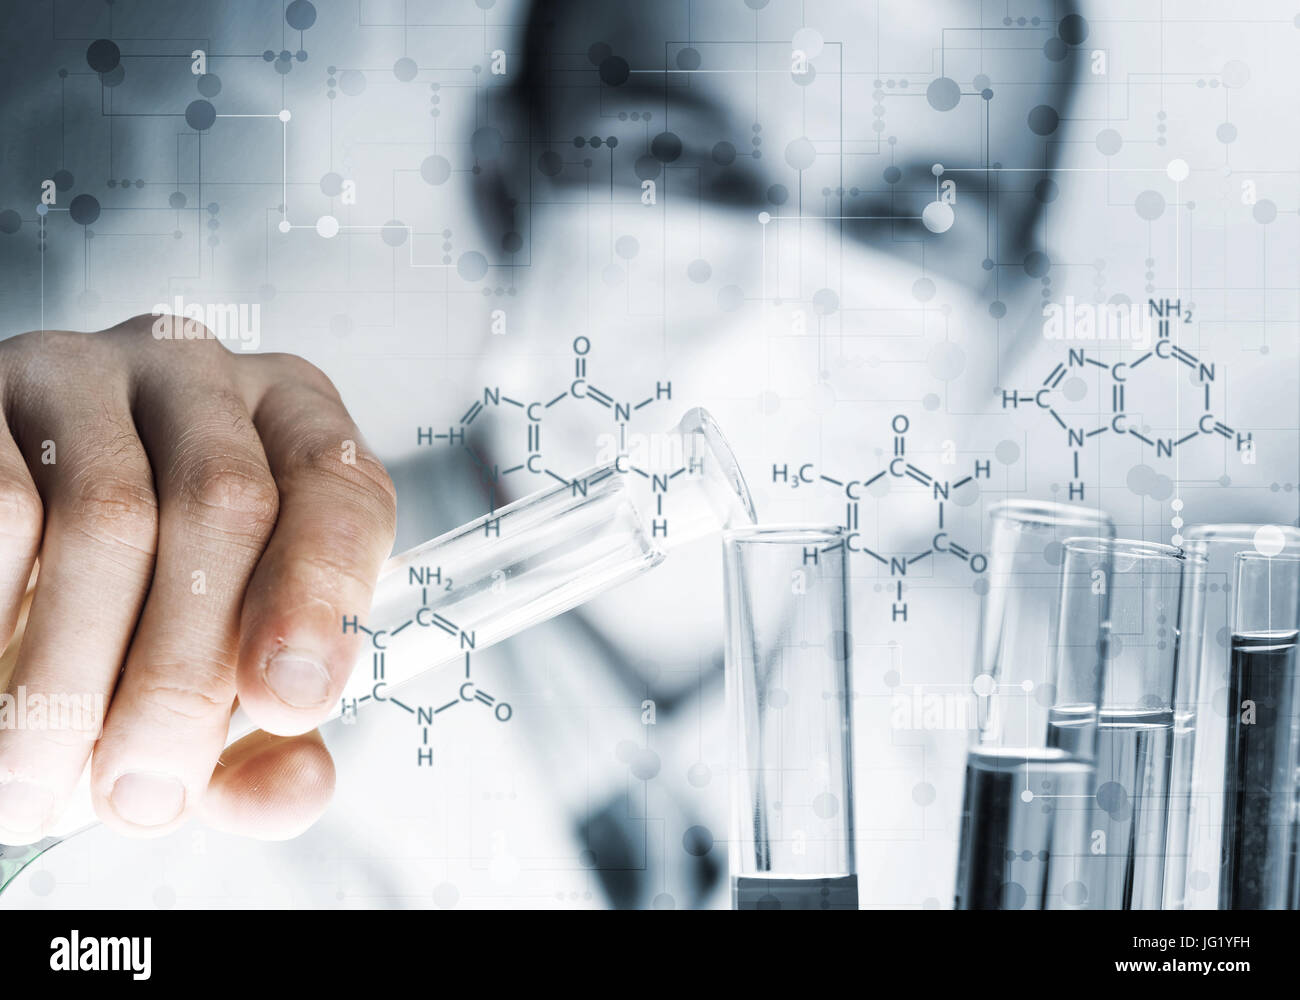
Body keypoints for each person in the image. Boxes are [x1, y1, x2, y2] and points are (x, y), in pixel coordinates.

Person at [0, 0, 1286, 908]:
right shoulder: (162, 643)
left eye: (921, 209)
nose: (777, 285)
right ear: (504, 181)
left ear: (1009, 318)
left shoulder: (1124, 778)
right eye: (674, 155)